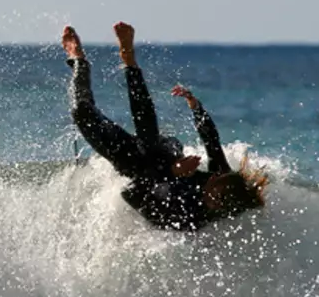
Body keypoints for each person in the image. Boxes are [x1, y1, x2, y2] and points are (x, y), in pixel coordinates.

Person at [62, 22, 268, 231]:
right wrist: (196, 107)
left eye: (214, 186)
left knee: (81, 112)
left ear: (217, 205)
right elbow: (211, 140)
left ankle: (78, 61)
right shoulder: (222, 178)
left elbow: (130, 191)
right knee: (150, 145)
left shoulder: (185, 218)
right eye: (217, 177)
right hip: (166, 150)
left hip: (132, 166)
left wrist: (172, 172)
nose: (213, 177)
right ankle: (130, 63)